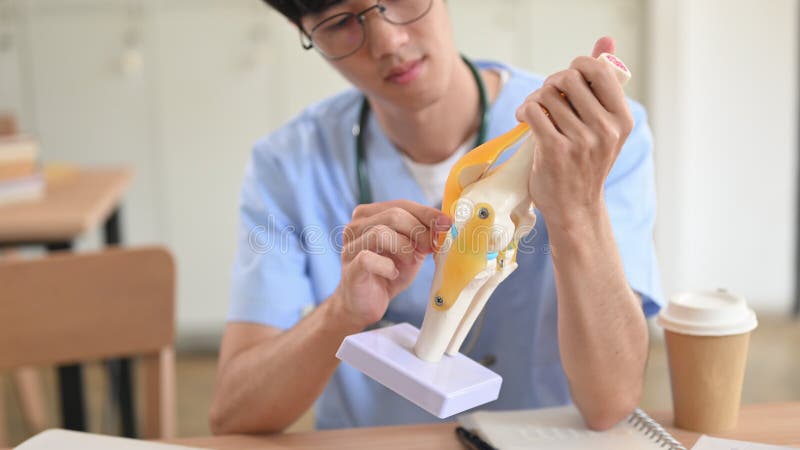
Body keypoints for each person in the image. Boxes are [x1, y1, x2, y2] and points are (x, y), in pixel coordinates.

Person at [209, 0, 662, 435]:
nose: (387, 40)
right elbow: (234, 415)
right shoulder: (287, 165)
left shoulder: (592, 139)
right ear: (306, 33)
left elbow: (612, 403)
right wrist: (341, 314)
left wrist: (578, 210)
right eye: (338, 21)